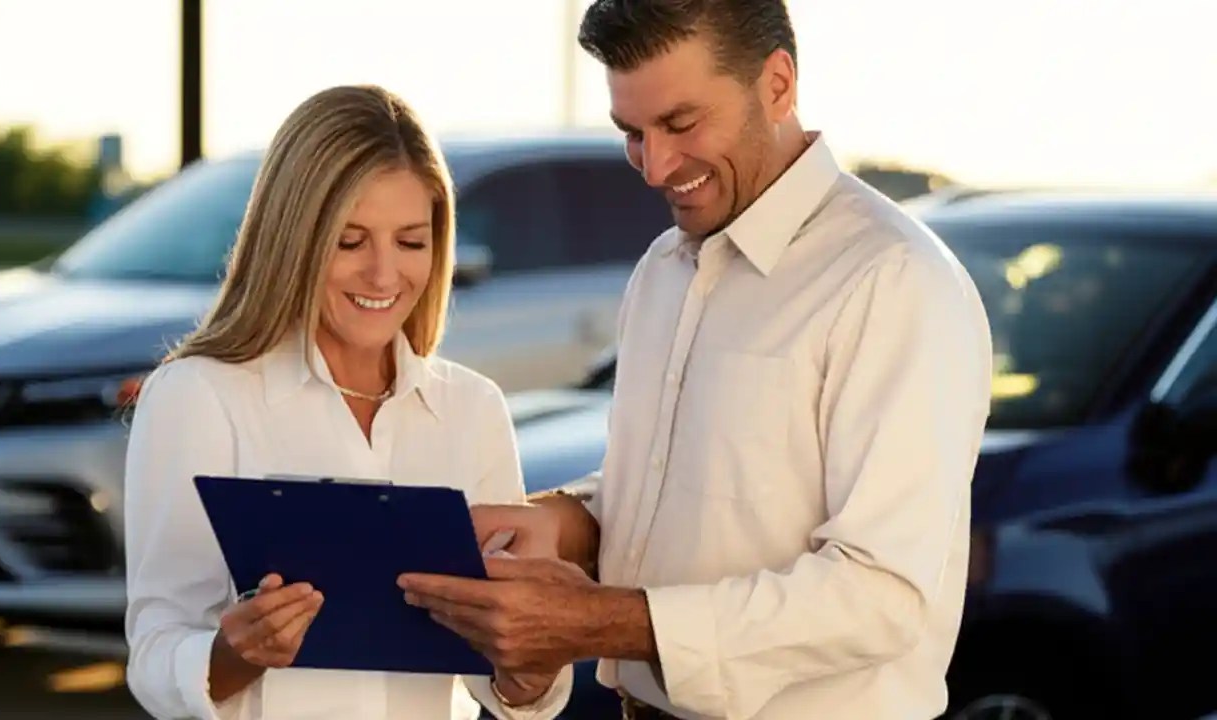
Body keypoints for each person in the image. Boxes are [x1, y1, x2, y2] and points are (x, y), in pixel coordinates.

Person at [397, 2, 994, 719]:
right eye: (632, 134)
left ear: (777, 85)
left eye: (680, 124)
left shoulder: (893, 280)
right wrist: (569, 525)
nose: (654, 166)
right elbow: (685, 488)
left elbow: (884, 594)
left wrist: (599, 621)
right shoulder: (664, 270)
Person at [122, 84, 572, 720]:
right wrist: (236, 653)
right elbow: (155, 650)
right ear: (295, 239)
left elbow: (500, 685)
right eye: (350, 241)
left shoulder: (473, 408)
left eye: (411, 242)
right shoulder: (199, 396)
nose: (385, 276)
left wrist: (528, 671)